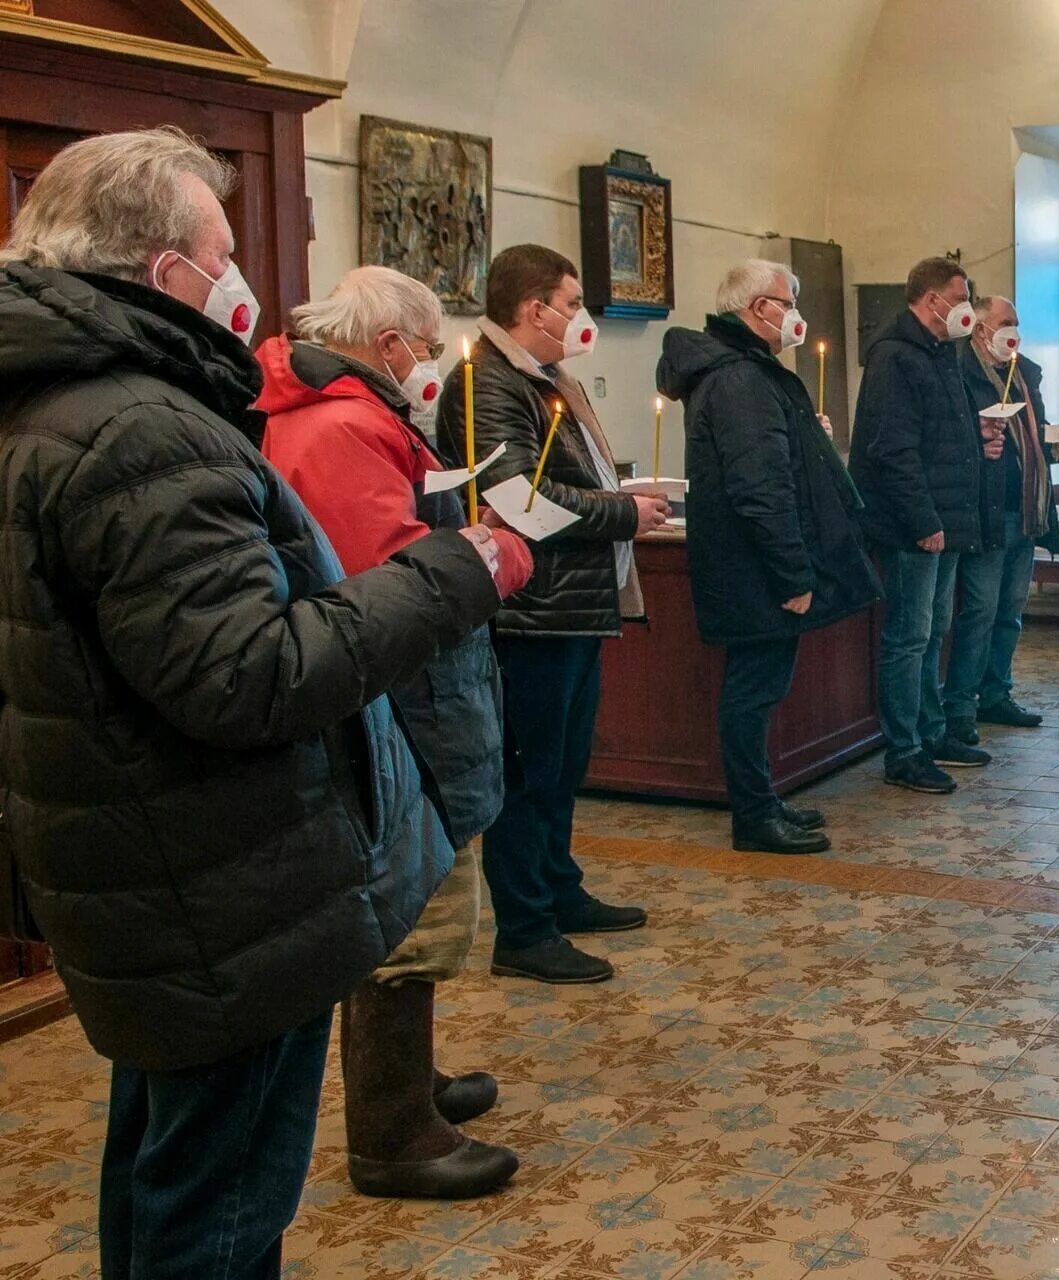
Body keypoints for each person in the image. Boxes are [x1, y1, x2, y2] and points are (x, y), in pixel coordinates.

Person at [0, 127, 514, 1278]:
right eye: (222, 251)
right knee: (219, 1205)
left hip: (144, 859)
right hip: (219, 880)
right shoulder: (137, 426)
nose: (243, 280)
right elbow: (253, 671)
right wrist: (453, 571)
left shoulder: (54, 404)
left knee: (168, 1166)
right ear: (161, 268)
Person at [257, 266, 531, 1200]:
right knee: (414, 909)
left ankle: (413, 1078)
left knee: (421, 893)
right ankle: (391, 1127)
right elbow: (391, 578)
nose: (429, 364)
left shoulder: (344, 411)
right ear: (388, 346)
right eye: (425, 345)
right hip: (403, 701)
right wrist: (497, 552)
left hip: (411, 695)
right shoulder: (337, 425)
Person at [443, 244, 673, 986]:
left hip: (571, 605)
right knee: (528, 770)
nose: (580, 317)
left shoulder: (541, 376)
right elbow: (517, 500)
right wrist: (622, 512)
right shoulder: (484, 381)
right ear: (532, 308)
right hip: (531, 611)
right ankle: (525, 927)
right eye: (571, 304)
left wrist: (620, 501)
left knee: (564, 765)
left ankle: (559, 889)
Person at [657, 260, 881, 854]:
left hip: (750, 564)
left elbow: (778, 459)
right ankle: (753, 816)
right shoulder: (739, 379)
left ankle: (763, 798)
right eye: (790, 300)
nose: (795, 314)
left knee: (760, 688)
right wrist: (793, 574)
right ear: (759, 309)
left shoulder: (748, 373)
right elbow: (760, 485)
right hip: (754, 568)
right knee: (753, 692)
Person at [849, 257, 991, 793]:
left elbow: (939, 433)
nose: (966, 308)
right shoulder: (894, 356)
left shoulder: (939, 353)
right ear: (932, 300)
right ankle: (903, 750)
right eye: (960, 298)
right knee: (908, 636)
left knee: (935, 630)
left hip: (945, 518)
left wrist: (979, 439)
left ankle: (932, 733)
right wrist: (923, 520)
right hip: (916, 524)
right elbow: (893, 450)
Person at [947, 295, 1059, 745]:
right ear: (980, 329)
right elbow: (958, 443)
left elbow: (1031, 438)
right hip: (987, 511)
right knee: (978, 611)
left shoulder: (1023, 374)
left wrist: (1053, 446)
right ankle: (960, 705)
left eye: (1016, 322)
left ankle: (996, 694)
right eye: (1005, 322)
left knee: (1010, 612)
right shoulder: (962, 375)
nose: (1013, 331)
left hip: (1026, 509)